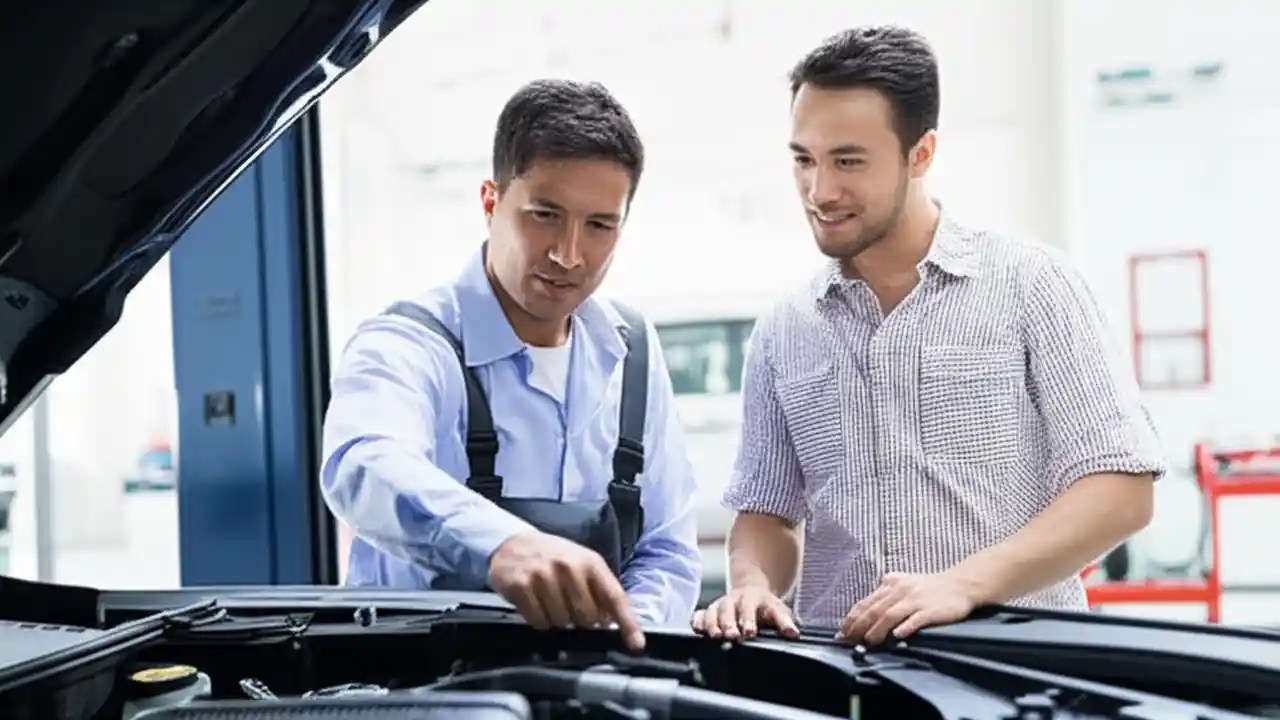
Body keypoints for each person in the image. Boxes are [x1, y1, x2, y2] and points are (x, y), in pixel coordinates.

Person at [692, 26, 1166, 645]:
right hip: (843, 671)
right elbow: (768, 514)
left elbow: (1121, 490)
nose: (819, 190)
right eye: (804, 159)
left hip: (1013, 663)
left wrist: (963, 584)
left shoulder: (1031, 285)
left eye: (848, 161)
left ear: (921, 153)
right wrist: (751, 582)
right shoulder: (785, 328)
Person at [321, 79, 701, 653]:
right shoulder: (409, 342)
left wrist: (628, 639)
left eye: (599, 225)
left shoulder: (633, 355)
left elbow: (666, 550)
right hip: (423, 689)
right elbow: (363, 462)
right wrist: (502, 544)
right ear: (490, 202)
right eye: (545, 215)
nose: (568, 254)